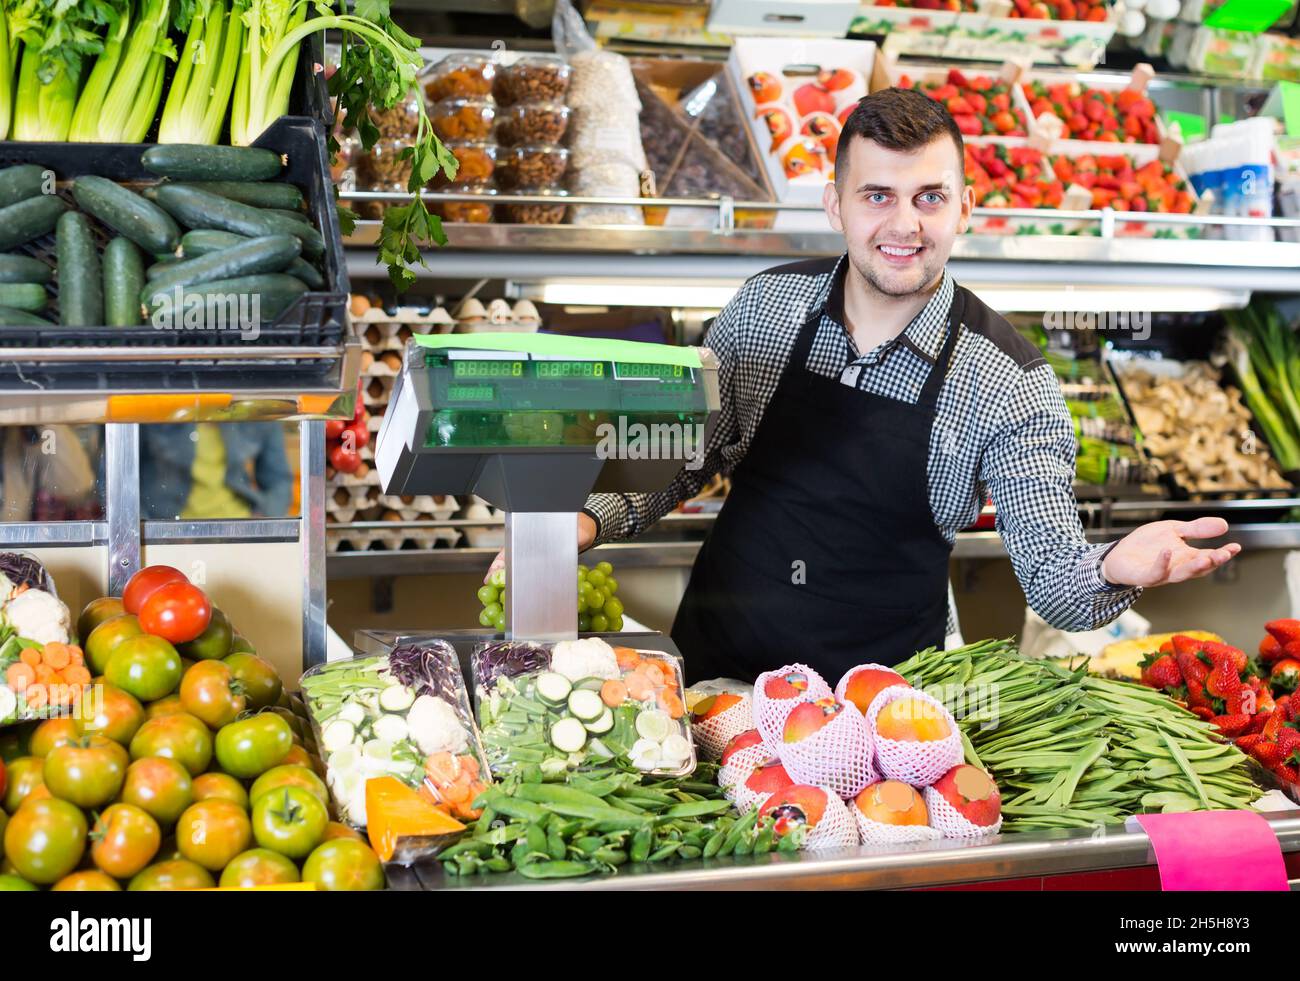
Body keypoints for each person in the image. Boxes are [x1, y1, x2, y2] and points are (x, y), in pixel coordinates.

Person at [490, 88, 1239, 683]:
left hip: (879, 714)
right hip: (717, 677)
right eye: (877, 195)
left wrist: (1116, 566)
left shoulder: (1009, 382)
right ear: (835, 204)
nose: (904, 223)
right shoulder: (764, 310)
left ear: (964, 208)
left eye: (929, 197)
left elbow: (1053, 578)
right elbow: (684, 455)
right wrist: (580, 523)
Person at [139, 423, 293, 520]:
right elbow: (124, 480)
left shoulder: (255, 411)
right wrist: (145, 529)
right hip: (169, 527)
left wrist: (265, 519)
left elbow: (278, 479)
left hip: (238, 526)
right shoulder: (158, 407)